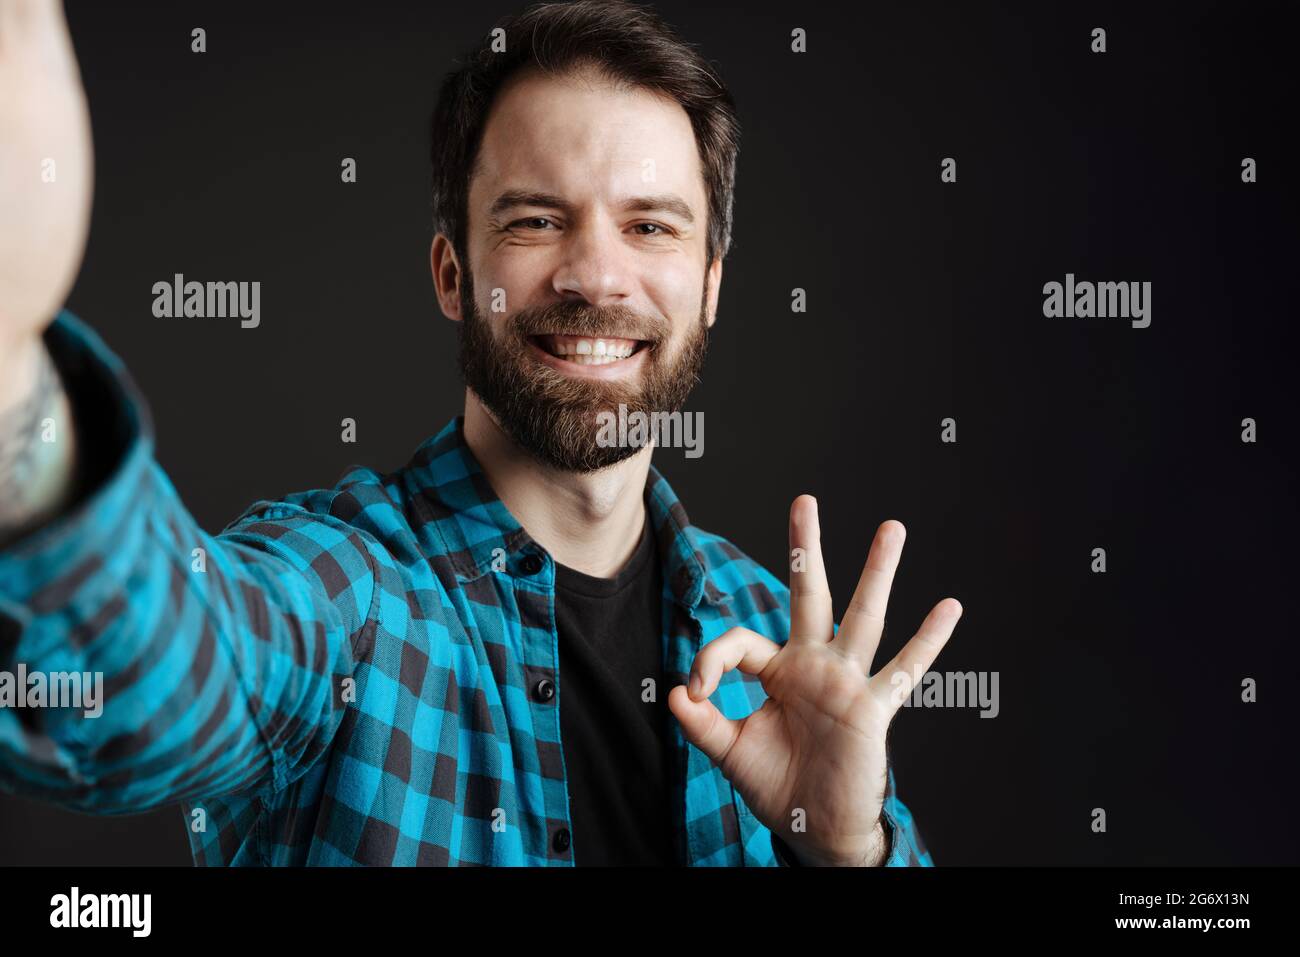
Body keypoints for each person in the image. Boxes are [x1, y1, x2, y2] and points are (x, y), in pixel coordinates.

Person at [0, 0, 960, 866]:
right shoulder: (344, 596)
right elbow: (145, 686)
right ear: (453, 274)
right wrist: (10, 378)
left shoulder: (771, 637)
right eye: (539, 219)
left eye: (652, 228)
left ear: (711, 285)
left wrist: (850, 850)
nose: (596, 276)